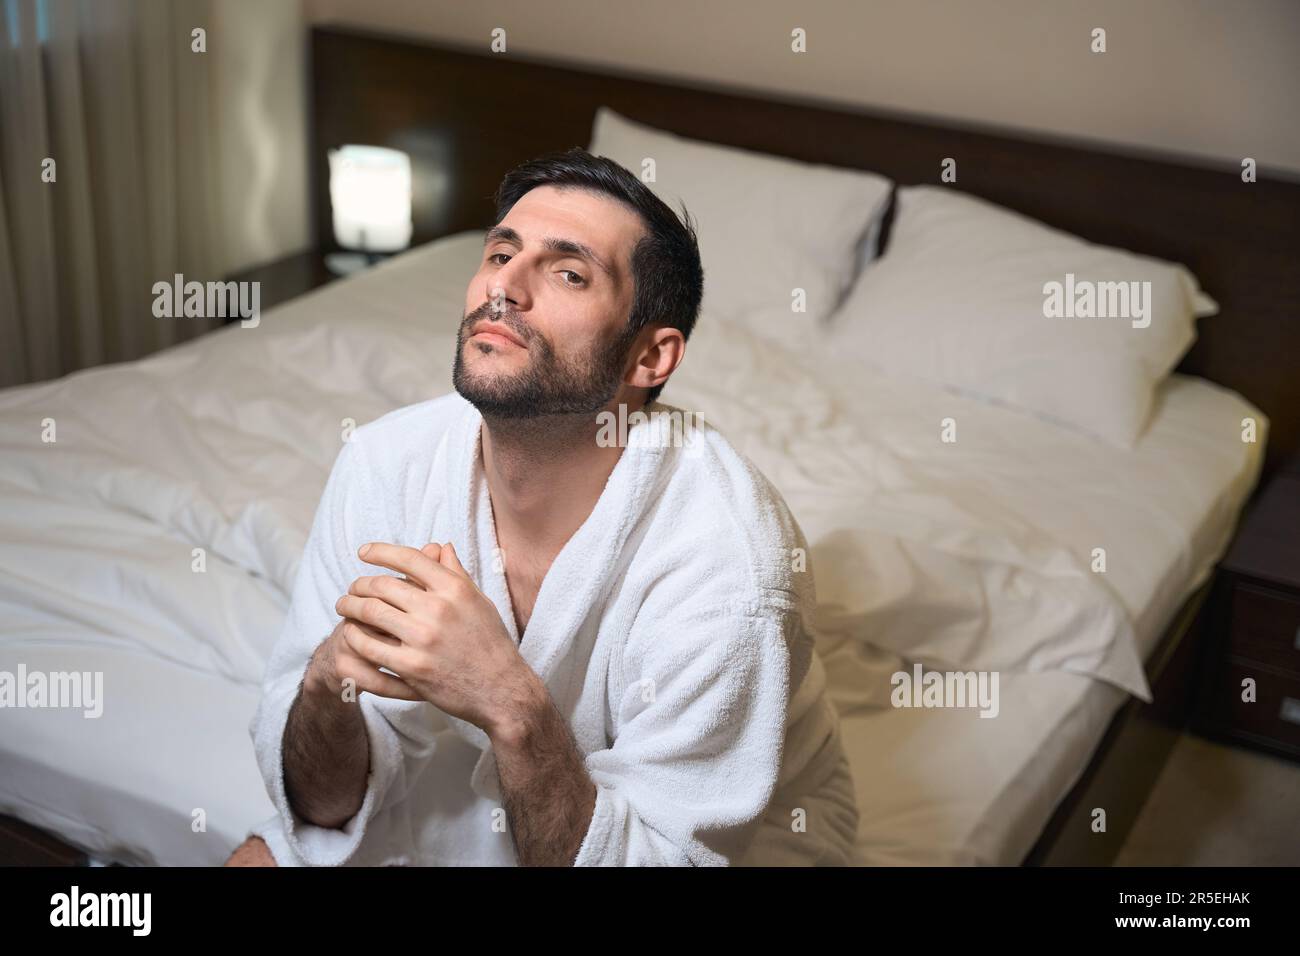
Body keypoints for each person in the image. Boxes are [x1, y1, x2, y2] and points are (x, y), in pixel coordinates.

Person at [225, 148, 858, 867]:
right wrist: (326, 675)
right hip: (501, 788)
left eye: (568, 272)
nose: (504, 288)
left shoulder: (728, 570)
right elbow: (319, 804)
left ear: (649, 359)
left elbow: (656, 855)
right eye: (500, 252)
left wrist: (508, 699)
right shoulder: (385, 462)